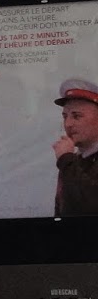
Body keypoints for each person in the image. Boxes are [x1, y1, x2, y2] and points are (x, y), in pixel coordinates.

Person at [53, 79, 98, 216]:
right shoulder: (74, 160)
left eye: (76, 116)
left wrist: (66, 160)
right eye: (65, 116)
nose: (68, 124)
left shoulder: (69, 161)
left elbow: (88, 209)